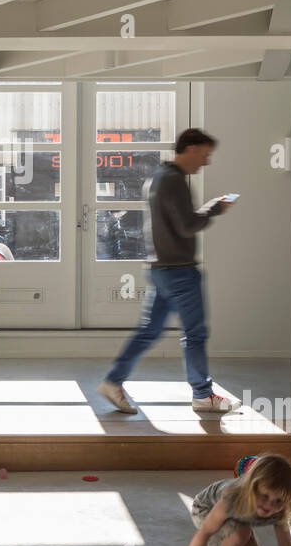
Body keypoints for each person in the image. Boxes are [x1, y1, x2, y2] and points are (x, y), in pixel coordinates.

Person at [98, 128, 236, 414]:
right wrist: (214, 208)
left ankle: (113, 381)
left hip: (160, 268)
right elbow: (187, 226)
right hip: (180, 272)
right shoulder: (174, 181)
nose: (206, 162)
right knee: (195, 333)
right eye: (205, 154)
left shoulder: (157, 178)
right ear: (191, 149)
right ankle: (203, 395)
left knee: (149, 331)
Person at [169, 454, 291, 546]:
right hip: (205, 509)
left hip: (240, 518)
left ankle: (212, 544)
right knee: (241, 532)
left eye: (278, 501)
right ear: (252, 488)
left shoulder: (280, 510)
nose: (269, 505)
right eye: (264, 496)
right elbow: (206, 531)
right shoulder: (233, 497)